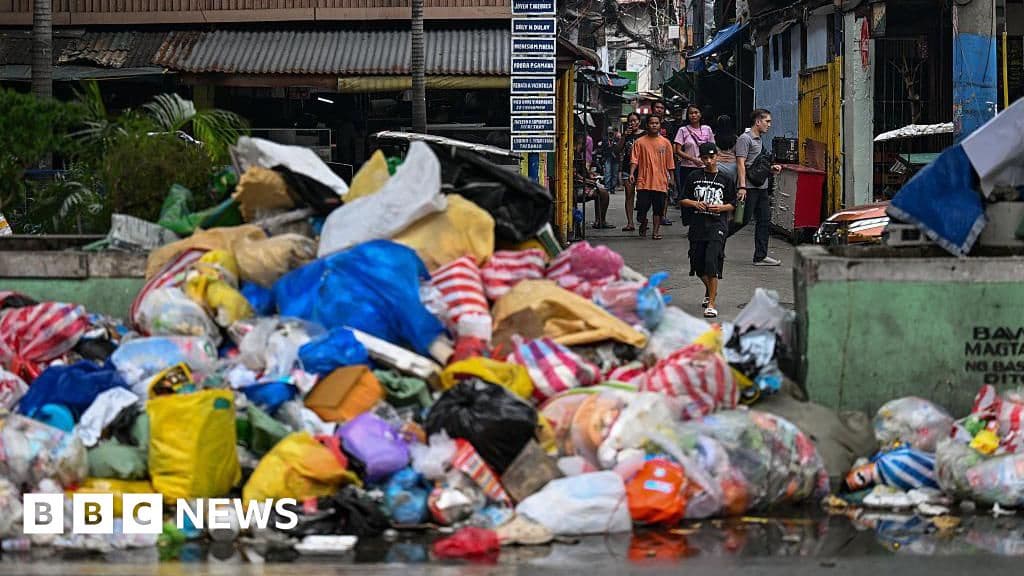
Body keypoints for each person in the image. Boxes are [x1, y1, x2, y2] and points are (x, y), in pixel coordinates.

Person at [680, 142, 736, 319]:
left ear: (717, 156)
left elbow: (734, 204)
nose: (709, 161)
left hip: (717, 225)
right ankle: (709, 289)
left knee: (712, 261)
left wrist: (721, 208)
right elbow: (682, 199)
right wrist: (695, 203)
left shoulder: (725, 179)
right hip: (697, 224)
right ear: (701, 158)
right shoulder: (694, 176)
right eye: (705, 158)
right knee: (697, 263)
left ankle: (711, 303)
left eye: (712, 157)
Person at [736, 108, 783, 266]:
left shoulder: (759, 140)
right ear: (758, 121)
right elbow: (741, 163)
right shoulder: (745, 139)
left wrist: (770, 169)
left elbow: (755, 164)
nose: (769, 125)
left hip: (761, 187)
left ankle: (760, 256)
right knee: (741, 220)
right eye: (767, 121)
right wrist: (742, 186)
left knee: (764, 220)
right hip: (748, 188)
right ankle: (715, 244)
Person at [629, 114, 675, 240]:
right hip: (644, 180)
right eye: (651, 123)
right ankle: (643, 222)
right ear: (647, 125)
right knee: (641, 208)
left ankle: (655, 231)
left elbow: (670, 162)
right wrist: (632, 173)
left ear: (660, 125)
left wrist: (672, 178)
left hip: (660, 181)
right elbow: (634, 160)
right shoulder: (639, 142)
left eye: (657, 123)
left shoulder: (666, 143)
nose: (654, 125)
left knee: (658, 209)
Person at [673, 105, 716, 201]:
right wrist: (693, 159)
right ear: (687, 115)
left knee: (704, 194)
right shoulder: (682, 130)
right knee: (687, 194)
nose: (693, 115)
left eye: (696, 112)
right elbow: (678, 150)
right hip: (687, 167)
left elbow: (713, 147)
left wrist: (709, 161)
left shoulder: (707, 129)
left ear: (700, 114)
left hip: (705, 167)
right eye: (691, 113)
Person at [617, 113, 643, 232]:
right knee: (629, 195)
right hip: (628, 168)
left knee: (644, 196)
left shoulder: (645, 135)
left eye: (635, 121)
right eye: (630, 121)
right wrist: (623, 136)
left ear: (639, 122)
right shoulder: (626, 135)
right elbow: (617, 150)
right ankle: (630, 222)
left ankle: (643, 219)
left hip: (643, 169)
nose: (632, 123)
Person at [603, 128, 620, 195]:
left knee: (615, 174)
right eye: (609, 132)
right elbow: (603, 148)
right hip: (608, 158)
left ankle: (612, 188)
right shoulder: (605, 140)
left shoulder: (617, 139)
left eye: (611, 132)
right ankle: (607, 188)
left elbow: (619, 148)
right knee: (608, 173)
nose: (610, 133)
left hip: (615, 158)